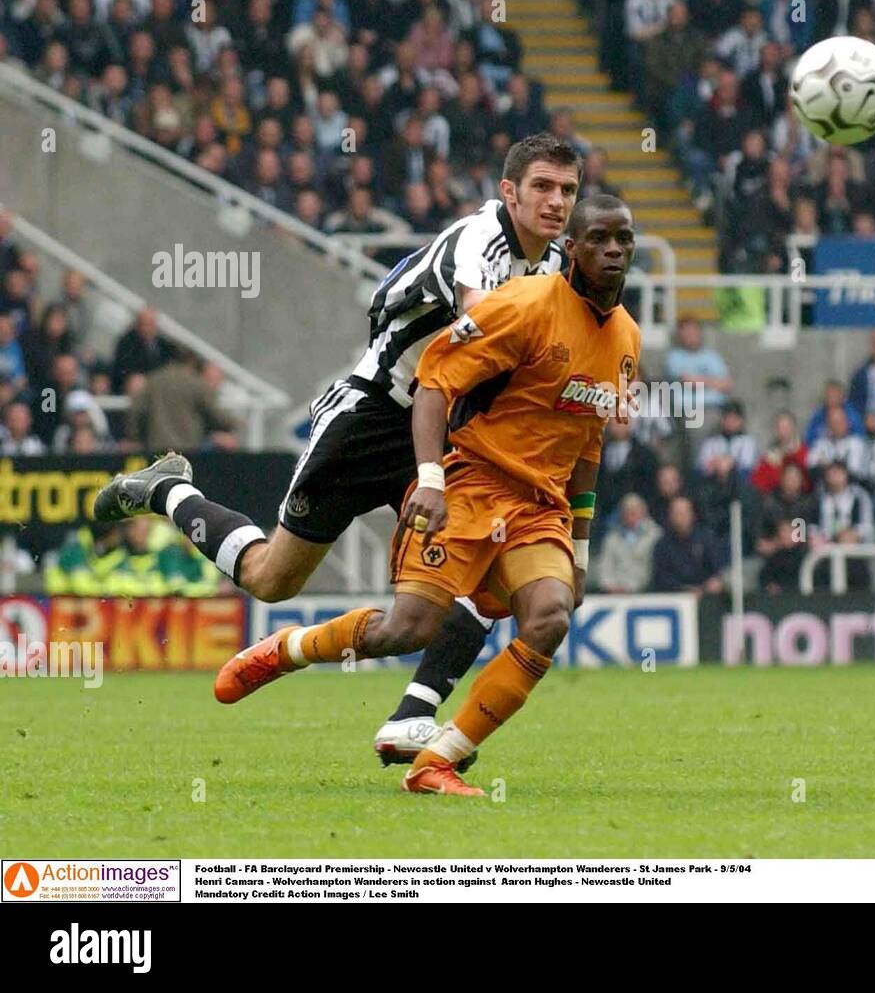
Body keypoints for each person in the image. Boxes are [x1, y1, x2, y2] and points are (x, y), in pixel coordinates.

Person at [91, 134, 581, 766]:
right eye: (542, 187)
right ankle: (168, 490)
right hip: (373, 417)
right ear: (508, 192)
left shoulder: (555, 265)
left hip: (442, 435)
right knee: (272, 579)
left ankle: (413, 714)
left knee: (489, 566)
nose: (556, 202)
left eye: (567, 190)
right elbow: (482, 331)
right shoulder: (479, 238)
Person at [212, 196, 641, 799]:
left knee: (549, 617)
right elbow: (435, 382)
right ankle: (288, 649)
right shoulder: (522, 305)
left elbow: (590, 440)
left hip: (540, 504)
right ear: (571, 249)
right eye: (599, 239)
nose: (615, 250)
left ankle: (436, 760)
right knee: (405, 629)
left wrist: (582, 546)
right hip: (473, 483)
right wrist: (432, 479)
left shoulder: (626, 338)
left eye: (624, 238)